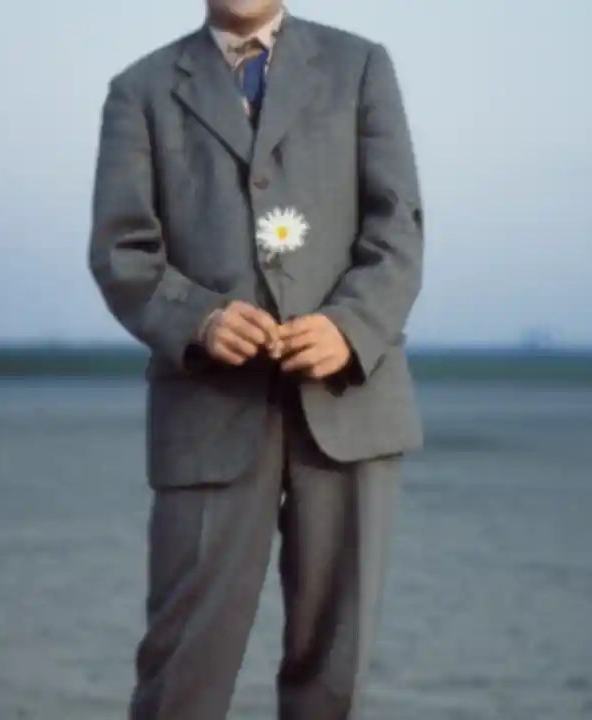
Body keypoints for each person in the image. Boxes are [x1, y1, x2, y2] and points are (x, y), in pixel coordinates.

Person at [86, 1, 425, 717]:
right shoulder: (138, 89)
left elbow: (398, 227)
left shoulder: (361, 65)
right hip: (208, 410)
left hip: (348, 404)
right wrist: (199, 319)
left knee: (333, 675)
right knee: (182, 669)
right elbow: (122, 253)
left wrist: (350, 327)